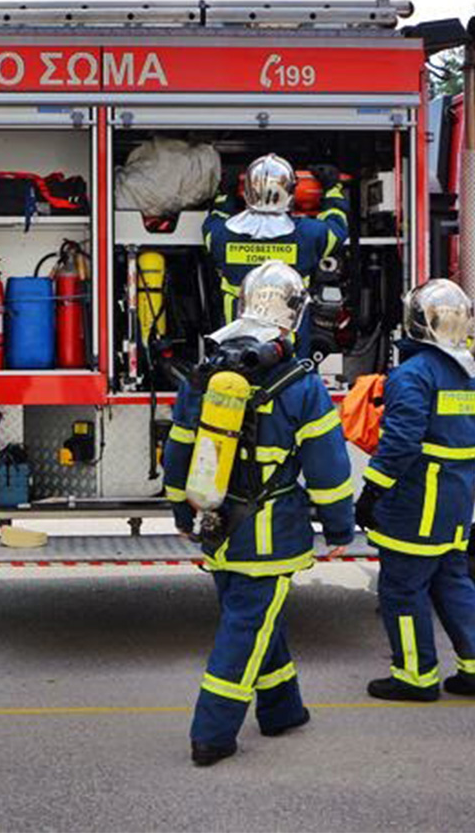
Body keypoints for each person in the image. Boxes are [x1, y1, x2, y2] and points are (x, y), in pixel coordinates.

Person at [163, 260, 354, 766]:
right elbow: (328, 464)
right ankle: (212, 734)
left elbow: (179, 448)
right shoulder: (301, 382)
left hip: (217, 526)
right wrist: (340, 524)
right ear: (295, 314)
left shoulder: (205, 374)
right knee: (247, 626)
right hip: (268, 537)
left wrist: (182, 513)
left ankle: (282, 708)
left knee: (252, 616)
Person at [357, 279, 475, 701]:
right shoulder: (470, 373)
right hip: (455, 503)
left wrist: (372, 491)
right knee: (453, 581)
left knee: (402, 588)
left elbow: (401, 442)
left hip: (417, 504)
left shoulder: (413, 375)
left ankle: (415, 675)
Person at [203, 154, 349, 358]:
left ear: (246, 192)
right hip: (290, 346)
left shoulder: (220, 235)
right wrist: (333, 188)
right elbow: (337, 227)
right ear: (290, 192)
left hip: (234, 344)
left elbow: (215, 218)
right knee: (291, 382)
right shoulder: (308, 234)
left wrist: (224, 194)